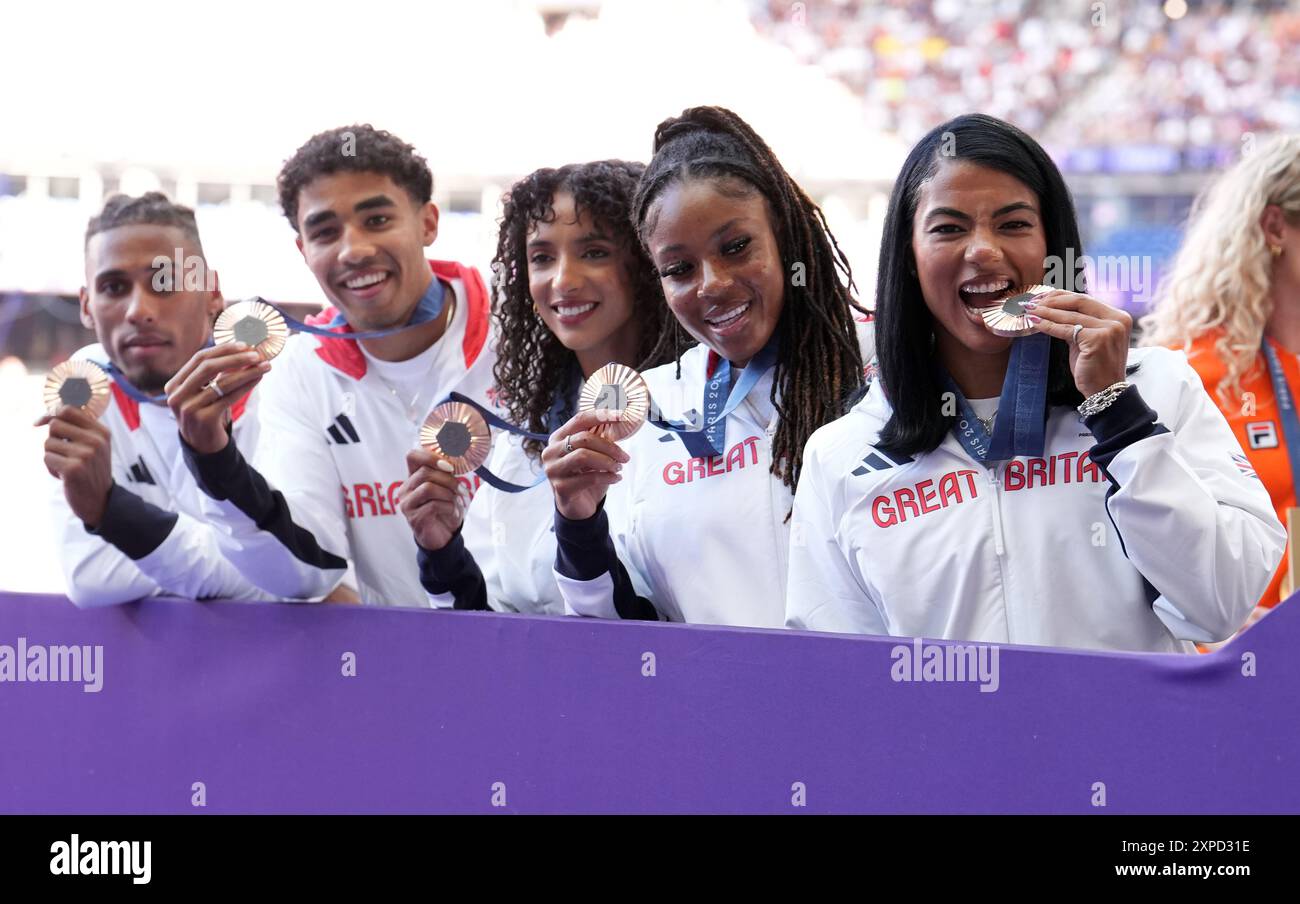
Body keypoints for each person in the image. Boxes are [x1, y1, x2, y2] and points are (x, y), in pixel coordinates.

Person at [785, 114, 1284, 652]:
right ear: (908, 257)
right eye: (948, 228)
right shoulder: (841, 455)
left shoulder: (1159, 387)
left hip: (1134, 738)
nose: (983, 251)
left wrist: (1116, 413)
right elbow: (843, 677)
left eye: (1014, 224)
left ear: (1054, 247)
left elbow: (1221, 607)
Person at [541, 106, 875, 627]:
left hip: (876, 702)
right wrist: (578, 521)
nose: (712, 284)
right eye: (678, 269)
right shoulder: (647, 411)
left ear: (783, 235)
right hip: (712, 705)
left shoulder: (884, 366)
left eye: (736, 247)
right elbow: (615, 627)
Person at [179, 125, 495, 607]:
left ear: (428, 222)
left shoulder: (518, 335)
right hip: (399, 672)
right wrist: (215, 461)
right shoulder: (300, 373)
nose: (353, 250)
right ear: (304, 251)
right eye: (325, 232)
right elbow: (306, 573)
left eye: (377, 219)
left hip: (543, 654)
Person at [401, 161, 671, 614]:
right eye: (542, 257)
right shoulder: (520, 436)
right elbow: (493, 631)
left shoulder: (695, 416)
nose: (563, 280)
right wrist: (442, 549)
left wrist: (581, 530)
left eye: (595, 252)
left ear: (646, 260)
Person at [42, 192, 275, 607]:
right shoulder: (81, 386)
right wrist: (232, 558)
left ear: (212, 293)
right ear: (86, 306)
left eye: (165, 281)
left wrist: (115, 516)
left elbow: (296, 577)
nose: (139, 310)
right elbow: (91, 576)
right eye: (114, 287)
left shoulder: (277, 385)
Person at [1140, 134, 1300, 619]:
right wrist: (1212, 633)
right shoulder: (1181, 375)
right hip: (1244, 673)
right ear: (1275, 227)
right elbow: (1139, 551)